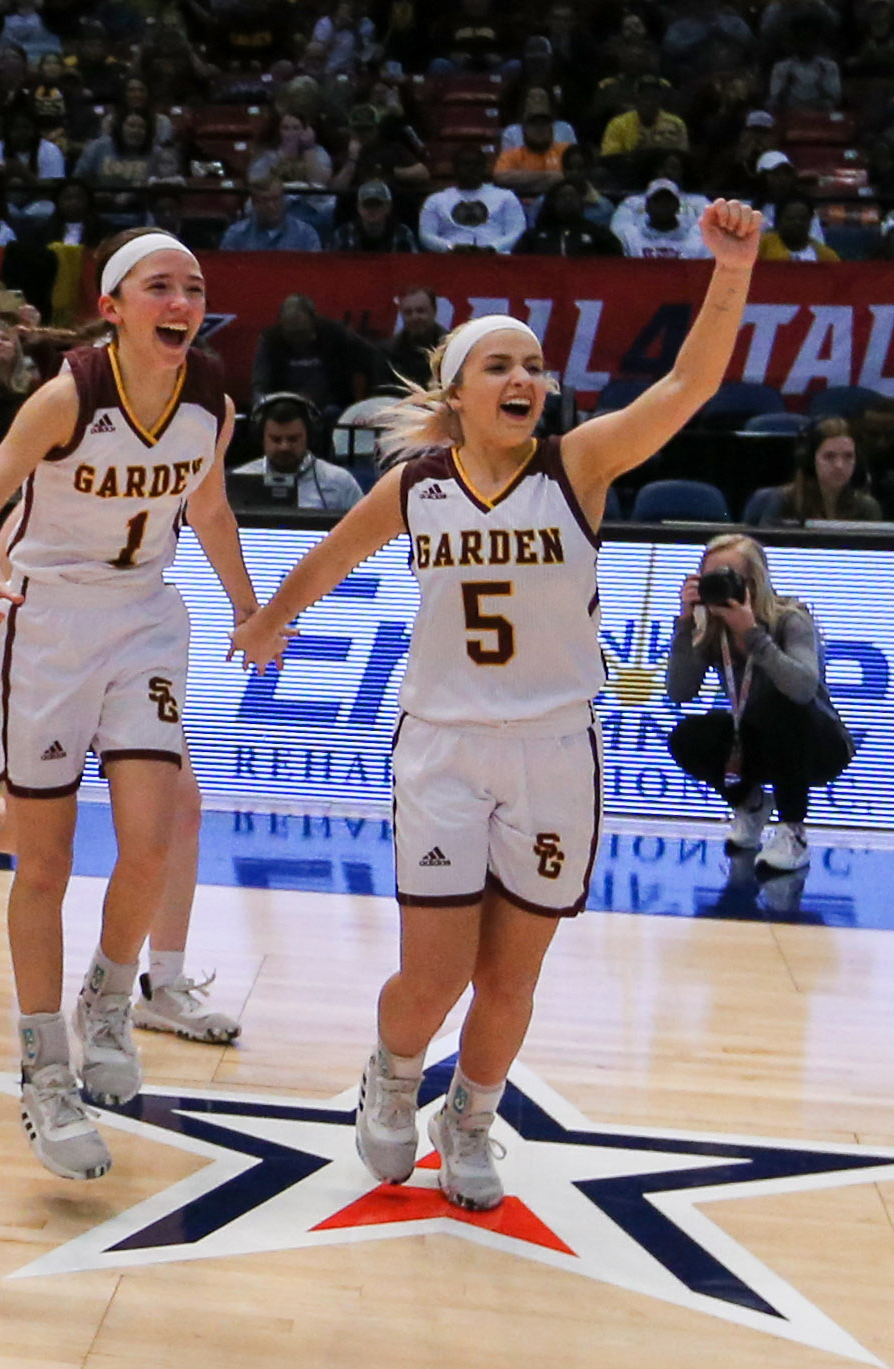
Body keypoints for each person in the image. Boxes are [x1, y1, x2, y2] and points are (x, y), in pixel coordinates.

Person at [231, 200, 763, 1211]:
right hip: (440, 748)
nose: (524, 378)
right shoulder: (415, 487)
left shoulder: (580, 464)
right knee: (430, 977)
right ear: (458, 392)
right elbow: (330, 556)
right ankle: (391, 1075)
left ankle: (470, 1114)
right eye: (499, 366)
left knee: (510, 976)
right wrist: (268, 622)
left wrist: (730, 268)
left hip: (556, 750)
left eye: (533, 365)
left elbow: (690, 383)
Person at [0, 230, 259, 1182]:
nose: (182, 297)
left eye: (193, 282)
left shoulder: (208, 402)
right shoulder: (67, 396)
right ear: (113, 306)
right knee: (45, 853)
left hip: (144, 617)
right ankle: (41, 1070)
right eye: (160, 284)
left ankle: (106, 1003)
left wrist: (247, 609)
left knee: (152, 836)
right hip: (47, 620)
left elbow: (211, 513)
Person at [667, 534, 846, 874]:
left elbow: (803, 689)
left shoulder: (790, 618)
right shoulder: (711, 627)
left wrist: (753, 635)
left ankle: (794, 832)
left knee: (783, 706)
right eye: (710, 578)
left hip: (816, 744)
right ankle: (751, 805)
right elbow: (679, 692)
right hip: (756, 743)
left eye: (727, 576)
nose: (719, 586)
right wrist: (685, 622)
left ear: (754, 581)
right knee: (688, 735)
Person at [231, 393, 364, 509]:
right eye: (276, 440)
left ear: (310, 436)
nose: (284, 447)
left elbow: (368, 531)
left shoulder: (340, 482)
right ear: (261, 437)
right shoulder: (237, 481)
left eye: (293, 439)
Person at [746, 417, 881, 525]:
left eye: (848, 456)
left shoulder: (867, 509)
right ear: (810, 460)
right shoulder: (779, 502)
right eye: (829, 456)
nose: (839, 465)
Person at [252, 294, 370, 416]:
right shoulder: (271, 341)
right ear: (281, 325)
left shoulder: (336, 335)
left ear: (314, 321)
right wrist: (262, 411)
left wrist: (362, 406)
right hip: (285, 412)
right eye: (291, 334)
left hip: (332, 409)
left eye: (301, 333)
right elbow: (260, 386)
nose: (297, 340)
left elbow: (371, 359)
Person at [419, 146, 527, 253]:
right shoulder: (435, 200)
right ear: (454, 168)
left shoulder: (506, 197)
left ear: (485, 167)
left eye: (477, 164)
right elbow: (426, 235)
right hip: (449, 260)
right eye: (465, 164)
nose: (471, 168)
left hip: (496, 258)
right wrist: (450, 247)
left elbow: (517, 231)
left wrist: (492, 248)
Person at [516, 181, 624, 256]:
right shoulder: (532, 237)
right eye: (563, 196)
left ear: (581, 202)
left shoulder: (599, 234)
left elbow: (616, 265)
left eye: (573, 196)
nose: (568, 200)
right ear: (552, 202)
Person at [613, 179, 713, 259]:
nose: (663, 206)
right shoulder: (631, 239)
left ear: (678, 206)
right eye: (657, 201)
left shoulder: (697, 240)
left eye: (668, 201)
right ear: (646, 206)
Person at [220, 178, 323, 252]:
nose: (271, 206)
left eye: (275, 199)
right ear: (254, 204)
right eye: (264, 200)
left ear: (283, 200)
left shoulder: (306, 235)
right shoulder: (235, 235)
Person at [378, 286, 445, 389]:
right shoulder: (387, 353)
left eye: (420, 311)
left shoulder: (452, 348)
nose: (414, 317)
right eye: (408, 313)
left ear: (434, 311)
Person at [332, 180, 418, 252]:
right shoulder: (343, 235)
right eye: (367, 204)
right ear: (358, 207)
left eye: (377, 204)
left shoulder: (403, 234)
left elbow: (413, 266)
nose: (371, 210)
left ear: (388, 207)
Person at [760, 198, 841, 262]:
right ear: (778, 221)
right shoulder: (761, 247)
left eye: (802, 219)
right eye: (791, 219)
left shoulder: (826, 256)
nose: (797, 223)